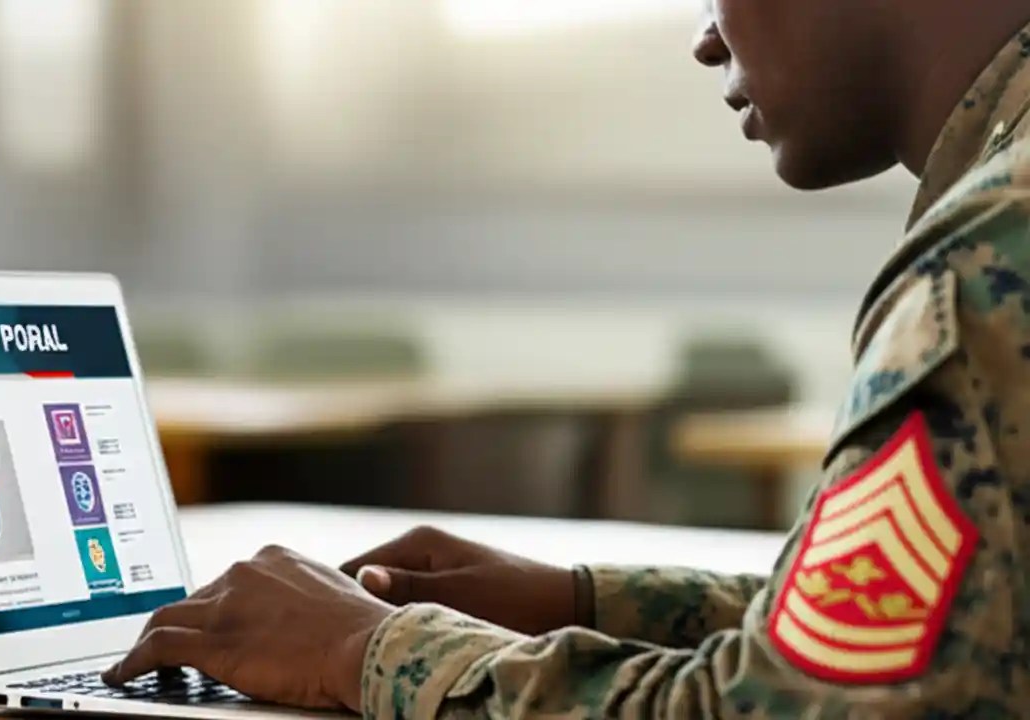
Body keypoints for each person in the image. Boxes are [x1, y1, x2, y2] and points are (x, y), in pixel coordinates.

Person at [103, 0, 1030, 716]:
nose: (706, 38)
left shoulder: (988, 256)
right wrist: (578, 603)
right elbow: (960, 637)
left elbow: (789, 710)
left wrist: (375, 649)